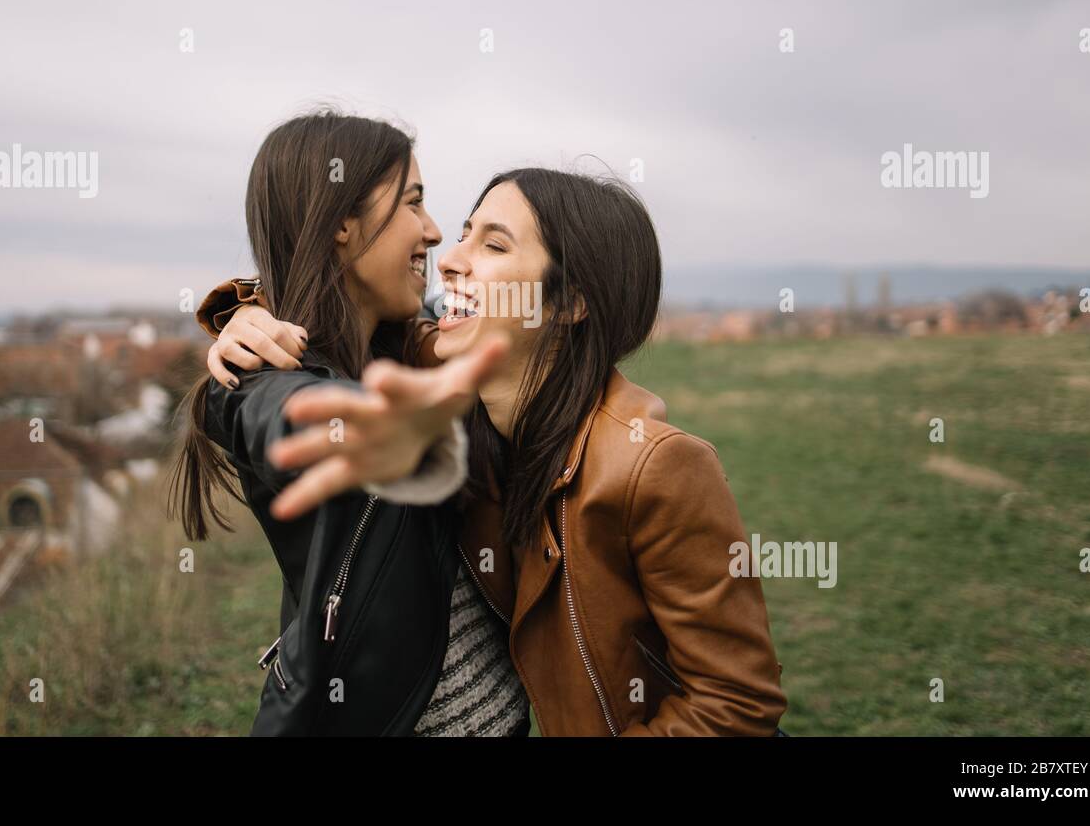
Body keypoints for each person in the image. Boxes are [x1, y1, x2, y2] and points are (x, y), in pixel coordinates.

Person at [199, 167, 789, 735]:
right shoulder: (457, 386)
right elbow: (351, 315)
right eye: (461, 236)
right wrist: (244, 313)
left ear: (568, 303)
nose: (449, 261)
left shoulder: (655, 467)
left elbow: (736, 701)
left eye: (494, 246)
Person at [168, 109, 530, 735]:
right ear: (341, 222)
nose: (435, 231)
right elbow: (275, 413)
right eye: (414, 203)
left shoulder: (398, 352)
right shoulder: (262, 379)